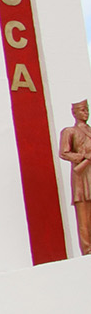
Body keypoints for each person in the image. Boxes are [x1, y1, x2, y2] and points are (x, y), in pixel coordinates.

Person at [60, 100, 91, 256]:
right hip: (82, 176)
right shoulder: (70, 131)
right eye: (83, 110)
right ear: (75, 112)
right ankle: (88, 249)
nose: (86, 113)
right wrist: (83, 157)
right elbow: (64, 152)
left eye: (87, 110)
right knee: (84, 216)